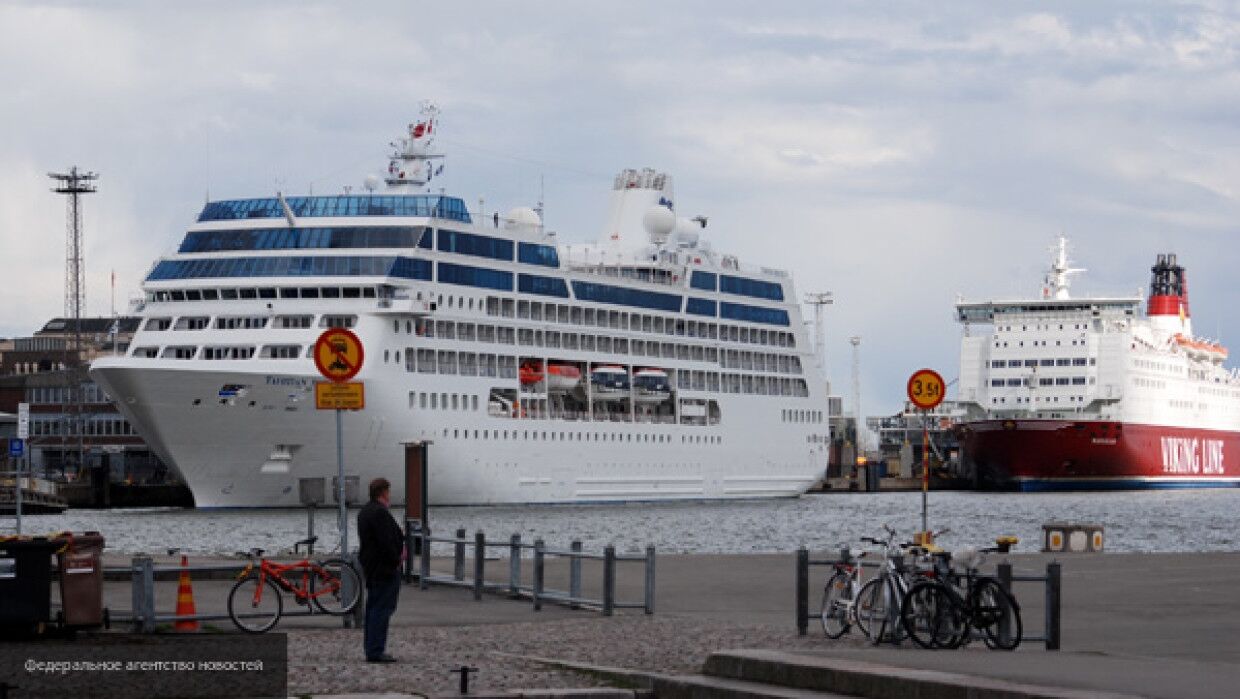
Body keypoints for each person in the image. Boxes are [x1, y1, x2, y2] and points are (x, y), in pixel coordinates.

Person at [358, 477, 404, 663]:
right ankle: (376, 649)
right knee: (382, 608)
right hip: (384, 568)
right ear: (383, 492)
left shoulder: (365, 511)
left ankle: (371, 647)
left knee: (373, 607)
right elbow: (386, 541)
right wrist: (396, 560)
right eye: (388, 491)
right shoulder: (380, 513)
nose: (389, 495)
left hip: (372, 567)